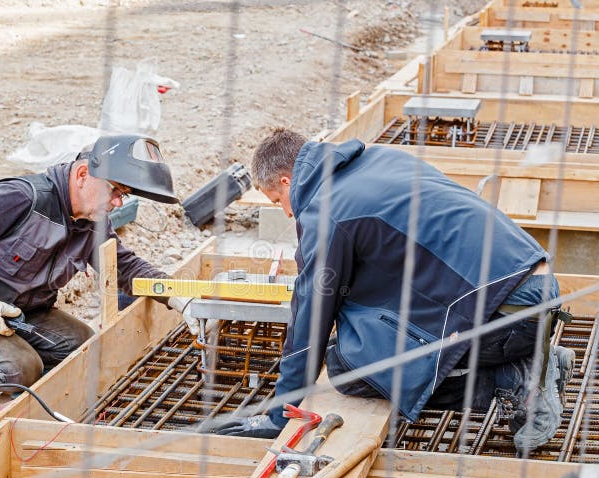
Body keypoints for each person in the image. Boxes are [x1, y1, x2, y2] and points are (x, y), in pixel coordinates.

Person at [214, 128, 574, 453]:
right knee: (363, 336)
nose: (287, 214)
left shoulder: (326, 211)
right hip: (535, 289)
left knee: (351, 367)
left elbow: (310, 320)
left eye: (277, 200)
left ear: (287, 180)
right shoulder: (378, 158)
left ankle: (515, 379)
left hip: (510, 311)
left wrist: (281, 413)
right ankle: (535, 362)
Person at [0, 134, 199, 421]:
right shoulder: (25, 197)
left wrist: (178, 297)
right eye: (114, 190)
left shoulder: (91, 223)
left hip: (17, 310)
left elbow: (125, 266)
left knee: (83, 348)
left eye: (123, 195)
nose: (117, 202)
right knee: (19, 368)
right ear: (83, 174)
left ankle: (4, 382)